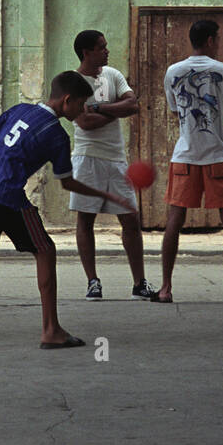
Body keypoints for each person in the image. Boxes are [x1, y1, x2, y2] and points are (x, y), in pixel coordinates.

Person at [0, 71, 137, 351]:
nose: (82, 111)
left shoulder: (21, 109)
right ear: (67, 101)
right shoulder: (56, 135)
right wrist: (105, 194)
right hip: (6, 196)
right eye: (80, 104)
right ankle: (51, 329)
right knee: (45, 250)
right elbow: (66, 181)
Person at [152, 19, 223, 305]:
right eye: (219, 38)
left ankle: (165, 288)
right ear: (211, 40)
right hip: (218, 155)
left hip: (185, 155)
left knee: (173, 222)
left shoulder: (173, 71)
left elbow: (176, 109)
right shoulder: (221, 70)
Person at [70, 29, 156, 300]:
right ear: (87, 52)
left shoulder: (113, 74)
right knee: (86, 219)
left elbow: (133, 105)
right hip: (87, 158)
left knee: (130, 219)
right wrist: (114, 110)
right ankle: (93, 281)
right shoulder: (72, 82)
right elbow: (83, 122)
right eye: (101, 47)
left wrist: (97, 108)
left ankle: (139, 283)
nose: (107, 51)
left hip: (116, 160)